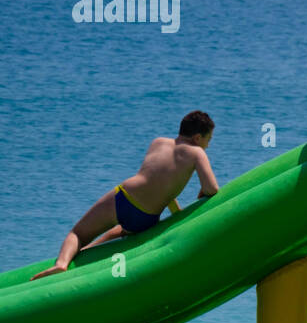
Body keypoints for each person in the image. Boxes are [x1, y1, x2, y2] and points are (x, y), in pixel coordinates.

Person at [31, 111, 219, 280]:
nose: (208, 145)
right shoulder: (197, 153)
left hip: (123, 198)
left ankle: (62, 263)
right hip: (146, 217)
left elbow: (154, 178)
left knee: (78, 233)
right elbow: (211, 189)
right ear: (197, 137)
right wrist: (191, 202)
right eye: (208, 139)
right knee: (122, 230)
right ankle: (90, 250)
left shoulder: (158, 142)